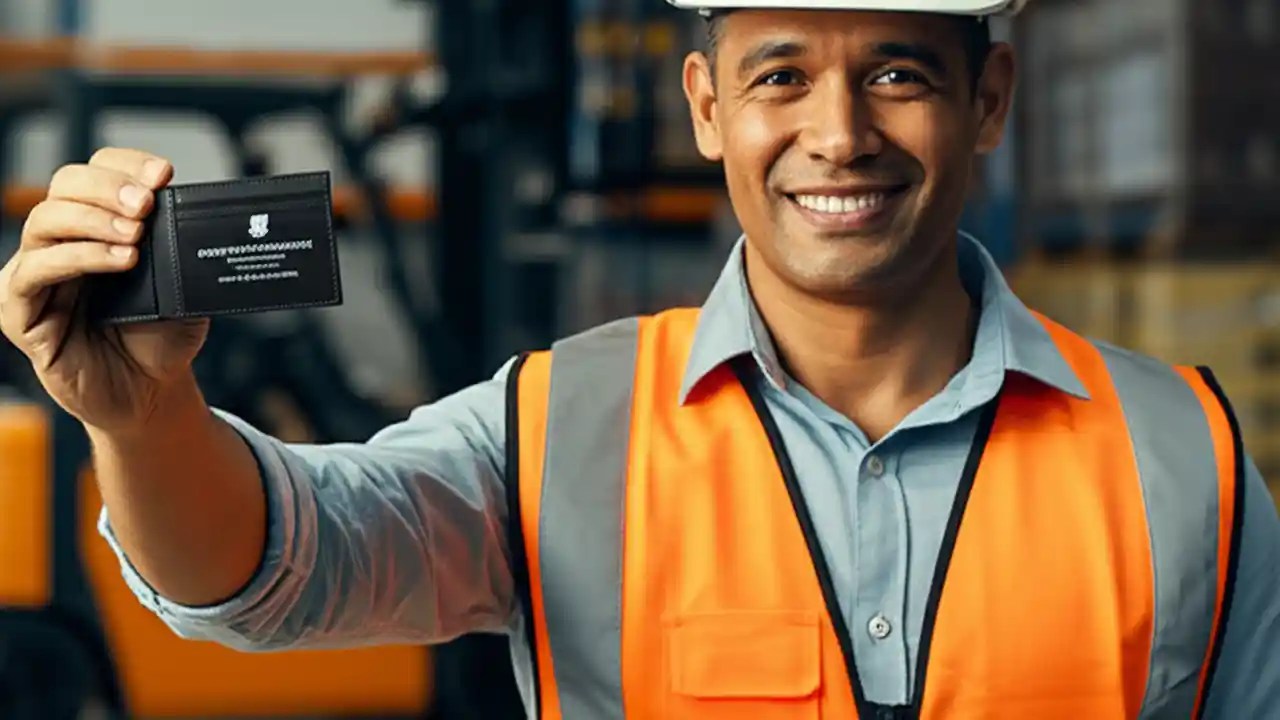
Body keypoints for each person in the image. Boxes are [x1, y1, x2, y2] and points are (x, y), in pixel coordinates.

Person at [1, 0, 1277, 717]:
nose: (837, 134)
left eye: (894, 73)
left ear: (985, 99)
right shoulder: (559, 431)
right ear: (707, 107)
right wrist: (147, 417)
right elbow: (280, 572)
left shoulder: (1185, 456)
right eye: (779, 75)